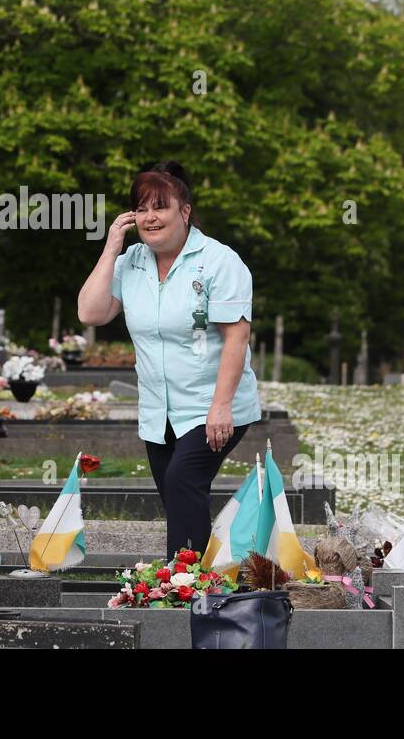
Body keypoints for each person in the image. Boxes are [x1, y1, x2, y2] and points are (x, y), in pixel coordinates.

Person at [77, 161, 259, 558]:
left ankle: (185, 585)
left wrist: (221, 406)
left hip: (211, 405)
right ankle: (204, 578)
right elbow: (91, 313)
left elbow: (236, 337)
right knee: (178, 496)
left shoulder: (219, 261)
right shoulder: (132, 262)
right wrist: (111, 248)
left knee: (182, 480)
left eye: (160, 207)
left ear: (185, 212)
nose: (149, 217)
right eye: (141, 208)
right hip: (159, 410)